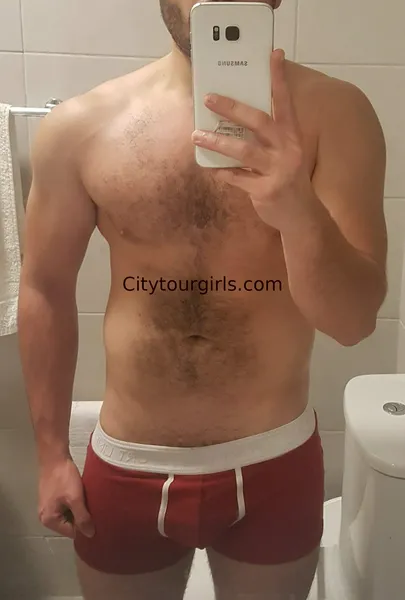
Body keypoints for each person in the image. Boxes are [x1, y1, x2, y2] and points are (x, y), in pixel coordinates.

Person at [18, 0, 388, 598]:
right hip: (127, 463)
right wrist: (52, 455)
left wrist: (298, 211)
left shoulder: (337, 115)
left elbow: (353, 322)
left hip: (275, 460)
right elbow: (45, 290)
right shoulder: (81, 126)